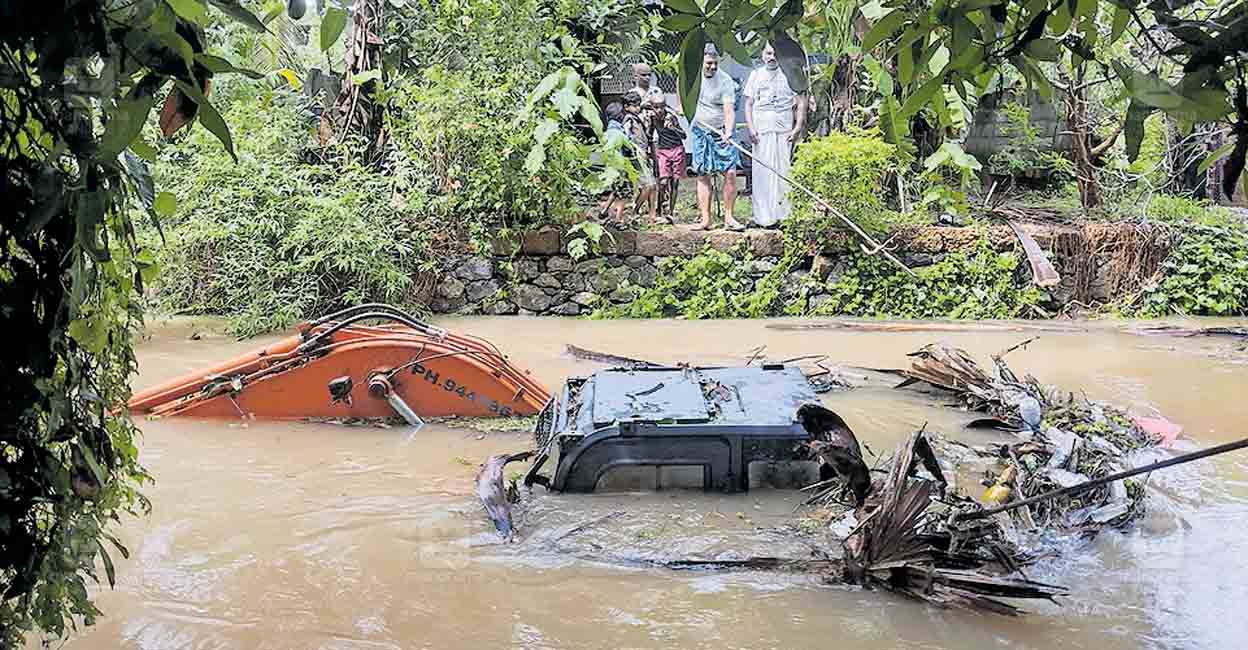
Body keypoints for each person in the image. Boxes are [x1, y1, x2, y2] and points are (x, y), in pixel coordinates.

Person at [743, 42, 807, 227]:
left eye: (774, 53)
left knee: (783, 172)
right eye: (768, 53)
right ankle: (763, 217)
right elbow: (748, 104)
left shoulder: (789, 75)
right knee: (763, 172)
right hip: (761, 131)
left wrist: (797, 128)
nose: (771, 57)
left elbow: (801, 101)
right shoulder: (756, 75)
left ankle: (784, 215)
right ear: (763, 55)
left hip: (784, 130)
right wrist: (751, 128)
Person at [688, 43, 744, 231]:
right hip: (700, 131)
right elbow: (682, 95)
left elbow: (729, 110)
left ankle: (729, 217)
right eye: (708, 63)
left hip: (721, 131)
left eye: (715, 63)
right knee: (703, 174)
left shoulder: (725, 80)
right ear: (701, 61)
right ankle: (705, 219)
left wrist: (728, 132)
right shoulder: (692, 77)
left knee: (730, 173)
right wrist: (683, 110)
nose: (712, 67)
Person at [621, 91, 659, 224]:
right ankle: (634, 211)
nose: (638, 108)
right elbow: (626, 138)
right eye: (634, 105)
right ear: (626, 107)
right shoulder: (628, 120)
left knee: (653, 185)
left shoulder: (637, 118)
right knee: (647, 186)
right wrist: (636, 150)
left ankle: (652, 214)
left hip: (643, 155)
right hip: (635, 157)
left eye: (638, 105)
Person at [648, 94, 686, 221]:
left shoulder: (671, 118)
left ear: (665, 107)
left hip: (676, 149)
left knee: (674, 181)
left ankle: (670, 211)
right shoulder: (652, 118)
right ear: (652, 107)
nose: (659, 110)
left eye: (661, 107)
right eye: (656, 107)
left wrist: (673, 128)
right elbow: (649, 134)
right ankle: (658, 210)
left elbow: (684, 135)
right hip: (662, 150)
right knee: (663, 182)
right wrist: (649, 151)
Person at [597, 101, 631, 224]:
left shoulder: (606, 133)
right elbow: (629, 146)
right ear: (621, 116)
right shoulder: (619, 133)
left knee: (616, 190)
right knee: (624, 194)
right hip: (620, 166)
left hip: (610, 167)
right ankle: (619, 218)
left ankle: (604, 210)